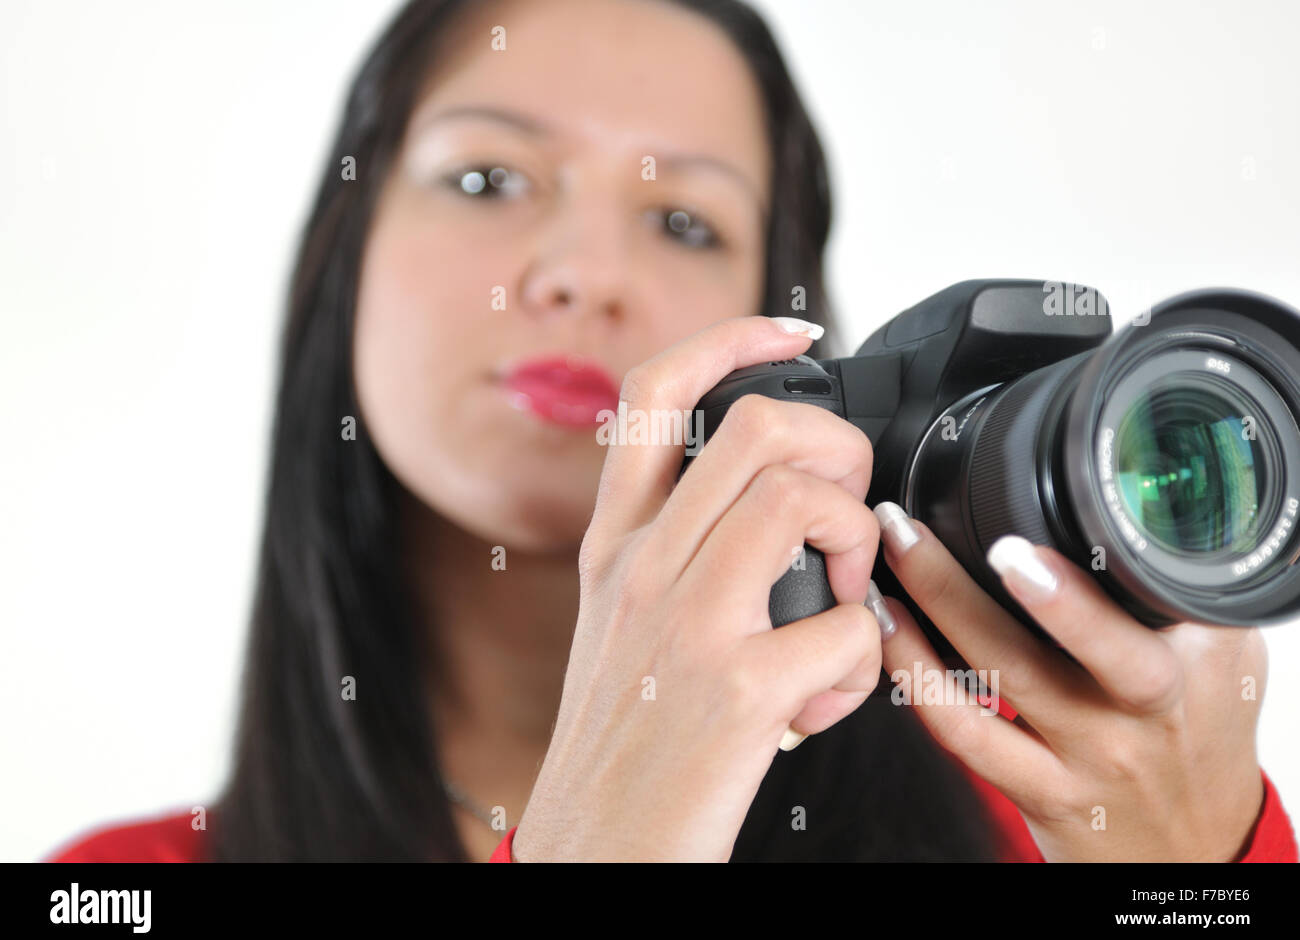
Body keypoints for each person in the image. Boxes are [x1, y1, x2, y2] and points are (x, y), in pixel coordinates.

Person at [45, 0, 1297, 863]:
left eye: (684, 221)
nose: (583, 273)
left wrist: (1203, 877)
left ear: (789, 330)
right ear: (345, 261)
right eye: (489, 179)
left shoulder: (1052, 831)